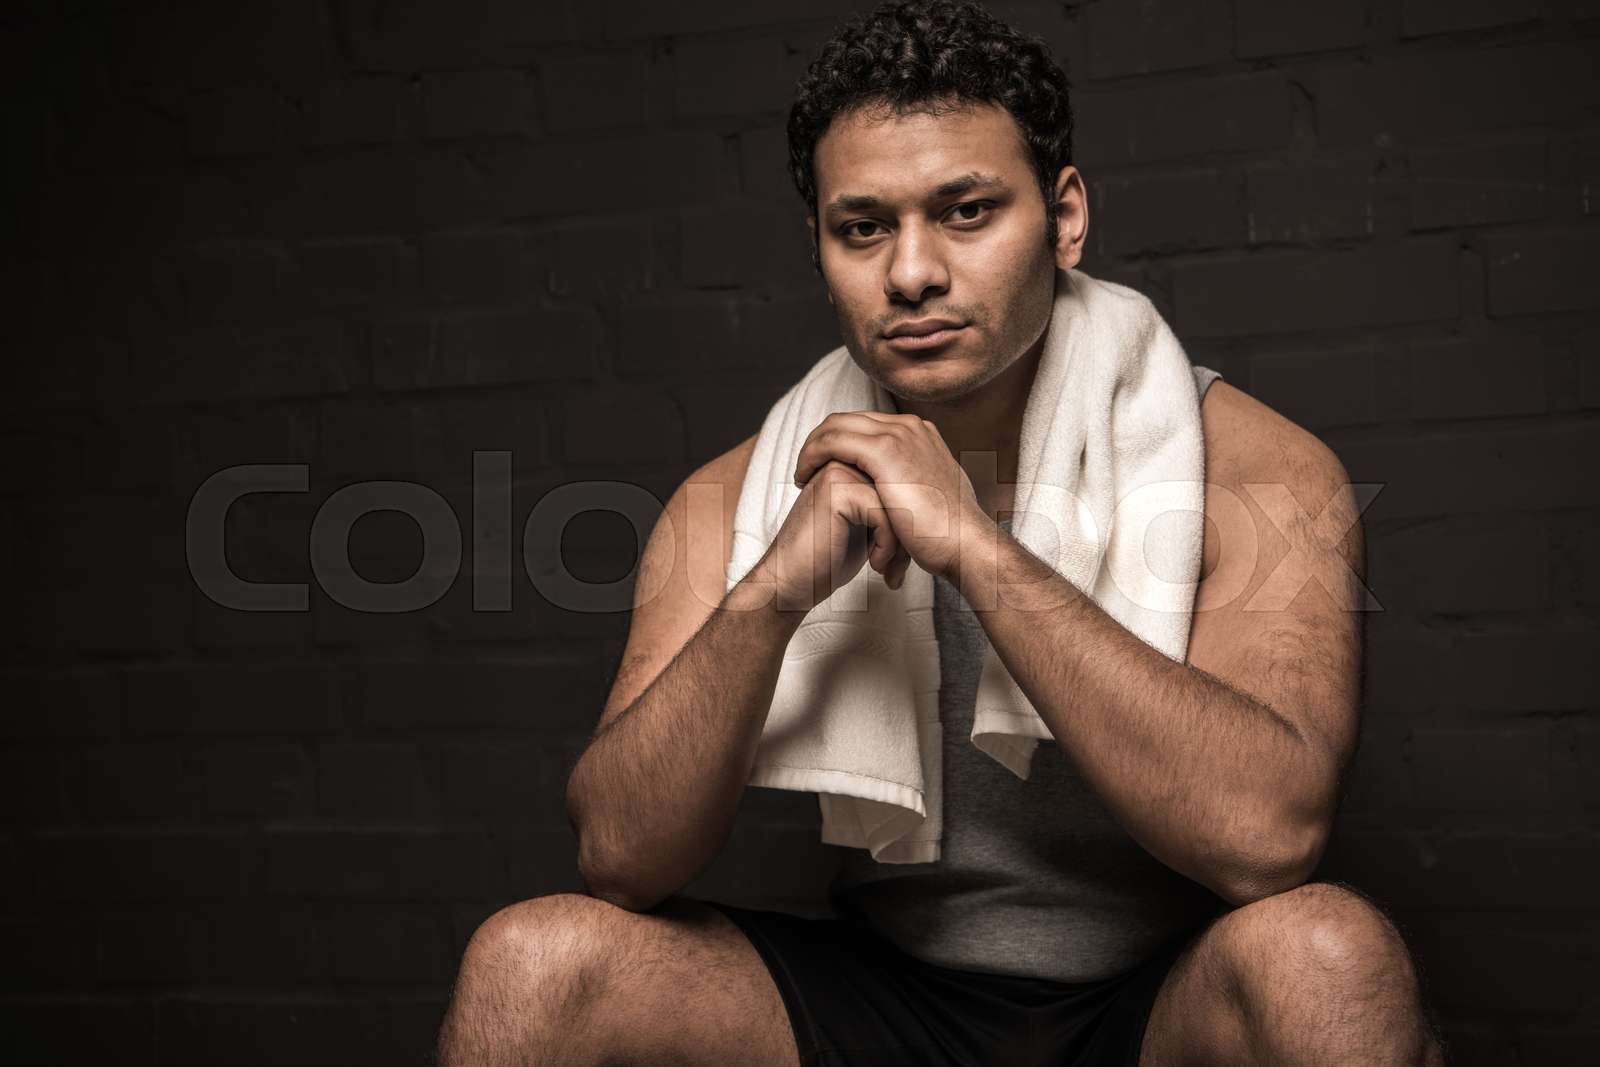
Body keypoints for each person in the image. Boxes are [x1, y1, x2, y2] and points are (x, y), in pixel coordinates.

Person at [438, 2, 1448, 1064]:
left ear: (1063, 218)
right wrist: (774, 589)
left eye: (965, 211)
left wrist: (974, 545)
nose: (911, 272)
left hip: (1158, 999)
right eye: (863, 227)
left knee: (1327, 952)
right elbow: (620, 854)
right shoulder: (736, 493)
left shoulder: (1251, 466)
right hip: (883, 997)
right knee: (533, 961)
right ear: (822, 245)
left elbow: (1267, 839)